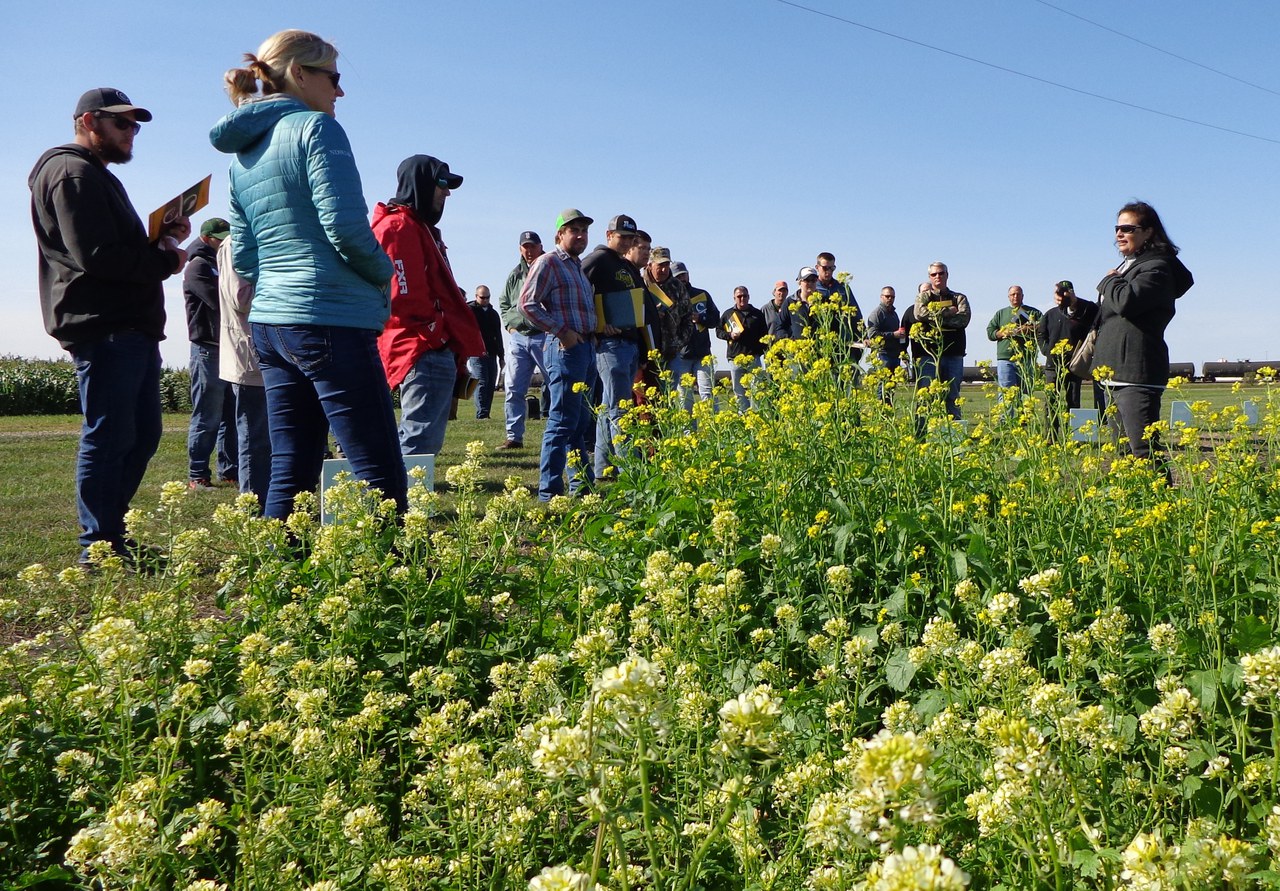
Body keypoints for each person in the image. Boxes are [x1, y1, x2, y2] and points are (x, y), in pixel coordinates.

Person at [211, 30, 407, 519]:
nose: (340, 90)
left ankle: (282, 565)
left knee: (290, 465)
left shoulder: (243, 154)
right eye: (333, 78)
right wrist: (384, 274)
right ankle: (398, 567)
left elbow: (246, 257)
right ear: (299, 73)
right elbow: (345, 228)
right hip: (330, 318)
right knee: (378, 466)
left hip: (271, 324)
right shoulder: (318, 129)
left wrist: (280, 286)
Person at [30, 87, 189, 564]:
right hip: (105, 326)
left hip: (125, 326)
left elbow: (107, 250)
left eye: (135, 125)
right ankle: (98, 547)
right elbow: (98, 257)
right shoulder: (73, 173)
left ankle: (110, 536)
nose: (131, 132)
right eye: (121, 123)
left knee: (139, 434)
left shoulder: (92, 174)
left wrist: (161, 239)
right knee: (111, 435)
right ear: (88, 121)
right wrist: (166, 261)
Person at [372, 154, 485, 456]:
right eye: (442, 183)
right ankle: (403, 488)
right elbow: (402, 296)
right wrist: (437, 336)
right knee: (419, 444)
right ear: (419, 183)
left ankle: (398, 485)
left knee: (419, 440)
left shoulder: (416, 227)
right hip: (421, 347)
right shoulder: (398, 228)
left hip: (426, 346)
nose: (447, 192)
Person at [1093, 201, 1193, 470]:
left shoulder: (1158, 268)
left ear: (1148, 232)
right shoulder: (1130, 266)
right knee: (1124, 453)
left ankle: (1162, 496)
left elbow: (1127, 301)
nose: (1119, 234)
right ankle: (1135, 496)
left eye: (1128, 228)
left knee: (1144, 451)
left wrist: (1108, 280)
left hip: (1136, 374)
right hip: (1114, 373)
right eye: (1117, 228)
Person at [519, 209, 597, 500]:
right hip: (565, 349)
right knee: (562, 421)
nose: (581, 235)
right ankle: (549, 491)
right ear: (559, 235)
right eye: (574, 230)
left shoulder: (577, 267)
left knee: (579, 423)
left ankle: (582, 486)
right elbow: (527, 304)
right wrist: (562, 332)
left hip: (585, 347)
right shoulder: (548, 262)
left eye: (584, 230)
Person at [582, 214, 647, 480]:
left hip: (629, 343)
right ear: (609, 236)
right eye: (622, 237)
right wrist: (596, 325)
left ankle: (603, 468)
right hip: (611, 345)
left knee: (609, 407)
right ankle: (630, 471)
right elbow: (577, 289)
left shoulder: (624, 265)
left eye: (631, 238)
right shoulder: (598, 259)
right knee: (621, 410)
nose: (627, 242)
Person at [184, 217, 239, 490]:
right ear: (206, 238)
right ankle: (197, 475)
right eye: (220, 238)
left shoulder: (222, 264)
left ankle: (229, 471)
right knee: (207, 415)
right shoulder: (198, 267)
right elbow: (221, 302)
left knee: (231, 414)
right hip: (207, 350)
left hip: (227, 348)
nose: (225, 243)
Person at [216, 234, 271, 505]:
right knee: (254, 435)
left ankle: (269, 499)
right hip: (248, 355)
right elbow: (242, 298)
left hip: (268, 353)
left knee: (268, 435)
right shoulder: (234, 244)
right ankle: (252, 504)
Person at [497, 231, 547, 450]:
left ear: (540, 246)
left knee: (556, 386)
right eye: (525, 247)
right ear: (520, 249)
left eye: (533, 246)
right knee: (513, 388)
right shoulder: (515, 274)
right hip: (519, 338)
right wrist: (510, 325)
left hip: (545, 336)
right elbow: (504, 302)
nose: (529, 250)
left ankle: (564, 434)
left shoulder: (549, 267)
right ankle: (514, 437)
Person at [1036, 280, 1102, 421]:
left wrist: (1074, 301)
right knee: (1051, 401)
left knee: (1073, 401)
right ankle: (1051, 433)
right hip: (1053, 365)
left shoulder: (1085, 311)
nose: (1061, 297)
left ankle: (1072, 432)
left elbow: (1096, 312)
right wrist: (1047, 351)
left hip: (1073, 364)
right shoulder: (1050, 314)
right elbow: (1041, 334)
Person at [913, 262, 971, 419]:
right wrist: (948, 312)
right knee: (925, 395)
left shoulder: (959, 298)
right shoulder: (923, 297)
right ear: (929, 277)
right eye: (934, 274)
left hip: (953, 354)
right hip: (929, 354)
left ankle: (954, 430)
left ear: (947, 275)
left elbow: (963, 319)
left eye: (941, 273)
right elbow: (919, 314)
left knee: (952, 395)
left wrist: (934, 317)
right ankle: (922, 431)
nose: (937, 276)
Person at [671, 261, 719, 409]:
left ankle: (713, 423)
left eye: (683, 275)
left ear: (688, 275)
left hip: (703, 354)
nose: (682, 279)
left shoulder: (702, 294)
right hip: (681, 355)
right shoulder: (669, 298)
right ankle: (689, 426)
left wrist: (701, 318)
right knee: (685, 398)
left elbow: (716, 319)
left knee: (708, 394)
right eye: (678, 277)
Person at [717, 286, 768, 410]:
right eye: (739, 296)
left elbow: (764, 335)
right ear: (734, 298)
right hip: (735, 359)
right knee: (739, 392)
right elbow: (718, 331)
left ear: (749, 297)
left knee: (756, 391)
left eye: (745, 296)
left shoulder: (757, 314)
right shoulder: (728, 314)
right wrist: (730, 335)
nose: (742, 298)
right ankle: (743, 415)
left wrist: (759, 352)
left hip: (753, 358)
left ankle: (756, 415)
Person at [985, 285, 1042, 396]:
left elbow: (1045, 327)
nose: (1015, 296)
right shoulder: (1000, 313)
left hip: (1026, 358)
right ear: (1008, 297)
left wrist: (1028, 329)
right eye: (1012, 294)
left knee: (1026, 393)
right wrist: (1002, 333)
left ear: (1022, 296)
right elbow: (990, 332)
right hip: (1005, 359)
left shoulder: (1033, 312)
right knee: (1006, 394)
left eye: (1018, 294)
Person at [813, 251, 863, 364]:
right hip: (820, 343)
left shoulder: (842, 287)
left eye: (832, 268)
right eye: (825, 268)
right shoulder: (812, 288)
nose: (828, 272)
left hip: (842, 342)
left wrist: (861, 335)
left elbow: (855, 313)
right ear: (817, 267)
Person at [468, 285, 504, 419]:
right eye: (482, 297)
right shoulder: (470, 311)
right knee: (481, 381)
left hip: (492, 353)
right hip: (476, 353)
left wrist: (501, 356)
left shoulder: (493, 314)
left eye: (487, 297)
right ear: (476, 296)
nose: (485, 300)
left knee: (490, 383)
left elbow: (498, 335)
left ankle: (486, 413)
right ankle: (481, 414)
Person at [863, 286, 905, 372]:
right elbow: (873, 335)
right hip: (882, 354)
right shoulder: (876, 314)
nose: (890, 299)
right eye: (887, 296)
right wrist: (893, 334)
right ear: (881, 297)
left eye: (892, 297)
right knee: (883, 379)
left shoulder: (894, 314)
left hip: (895, 355)